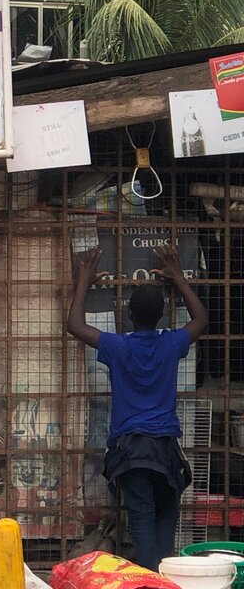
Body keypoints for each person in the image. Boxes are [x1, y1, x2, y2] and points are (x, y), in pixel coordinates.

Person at [67, 244, 208, 571]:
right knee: (166, 516)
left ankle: (151, 585)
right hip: (164, 449)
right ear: (161, 315)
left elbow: (75, 324)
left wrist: (84, 281)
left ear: (129, 316)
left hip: (131, 449)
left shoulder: (119, 346)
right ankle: (163, 582)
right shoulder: (171, 343)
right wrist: (179, 279)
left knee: (142, 518)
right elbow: (201, 318)